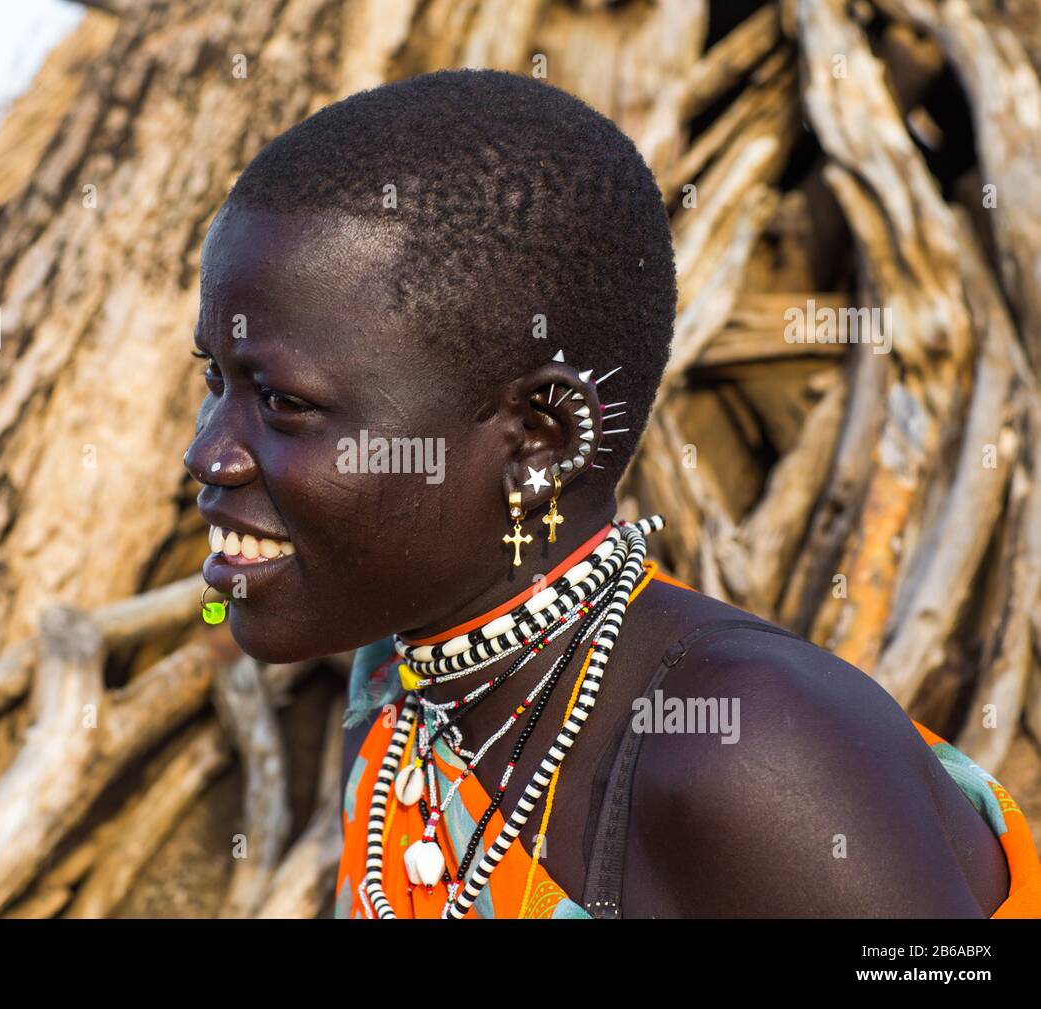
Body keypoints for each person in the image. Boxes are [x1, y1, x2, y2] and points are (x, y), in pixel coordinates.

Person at [182, 69, 1040, 918]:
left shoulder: (745, 749)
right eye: (216, 379)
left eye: (284, 403)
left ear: (538, 442)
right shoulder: (402, 695)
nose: (207, 454)